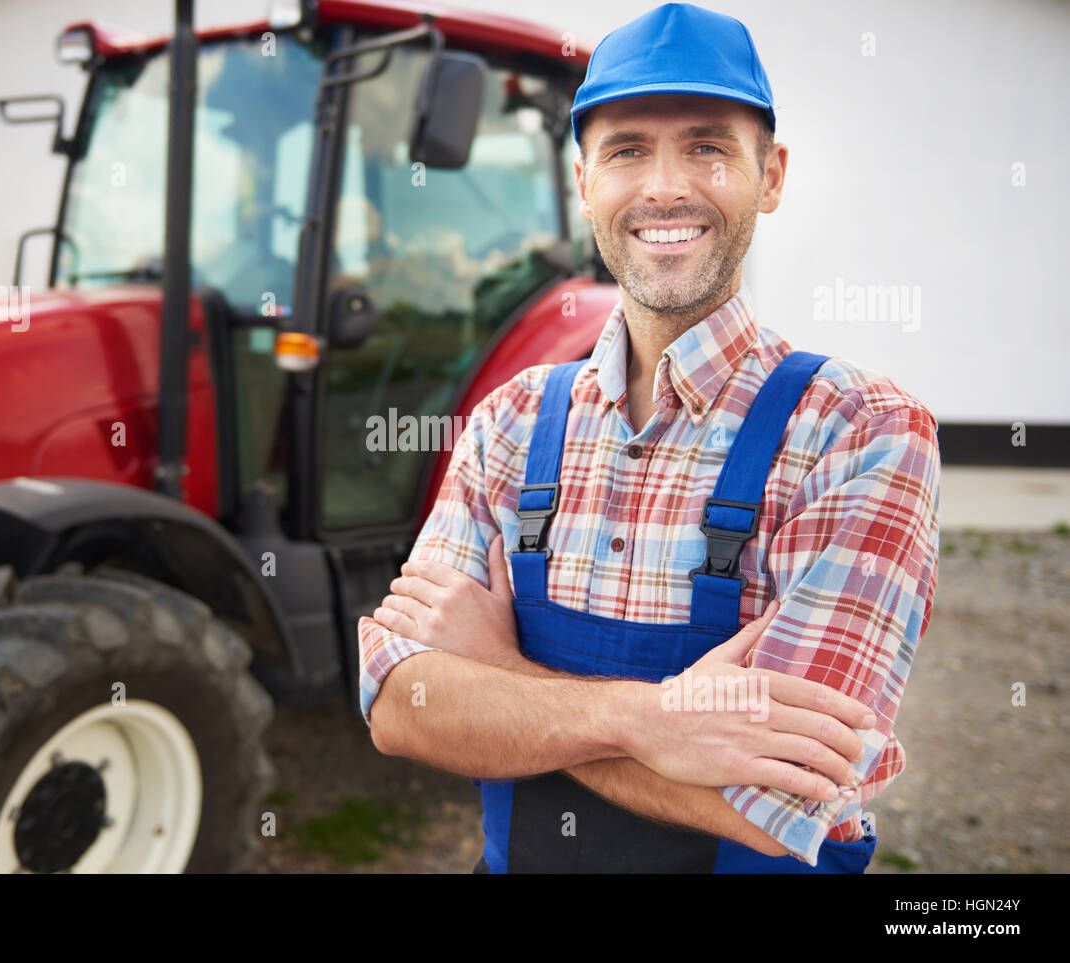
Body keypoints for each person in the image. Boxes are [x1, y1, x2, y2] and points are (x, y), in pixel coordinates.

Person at [357, 2, 941, 873]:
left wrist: (500, 675)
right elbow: (402, 709)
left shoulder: (862, 434)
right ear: (585, 180)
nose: (665, 186)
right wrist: (650, 722)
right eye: (628, 149)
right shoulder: (509, 424)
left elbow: (790, 802)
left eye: (707, 146)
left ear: (770, 176)